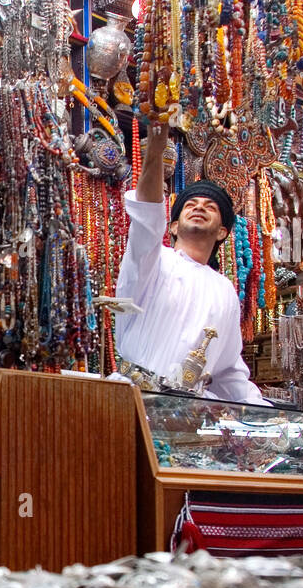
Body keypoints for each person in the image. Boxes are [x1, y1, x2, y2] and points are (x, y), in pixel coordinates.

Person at [115, 122, 268, 406]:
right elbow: (147, 216)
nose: (199, 207)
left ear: (222, 231)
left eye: (210, 207)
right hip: (130, 401)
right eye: (190, 204)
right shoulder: (154, 260)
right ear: (172, 226)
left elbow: (229, 372)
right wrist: (157, 147)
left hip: (187, 415)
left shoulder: (225, 291)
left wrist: (267, 414)